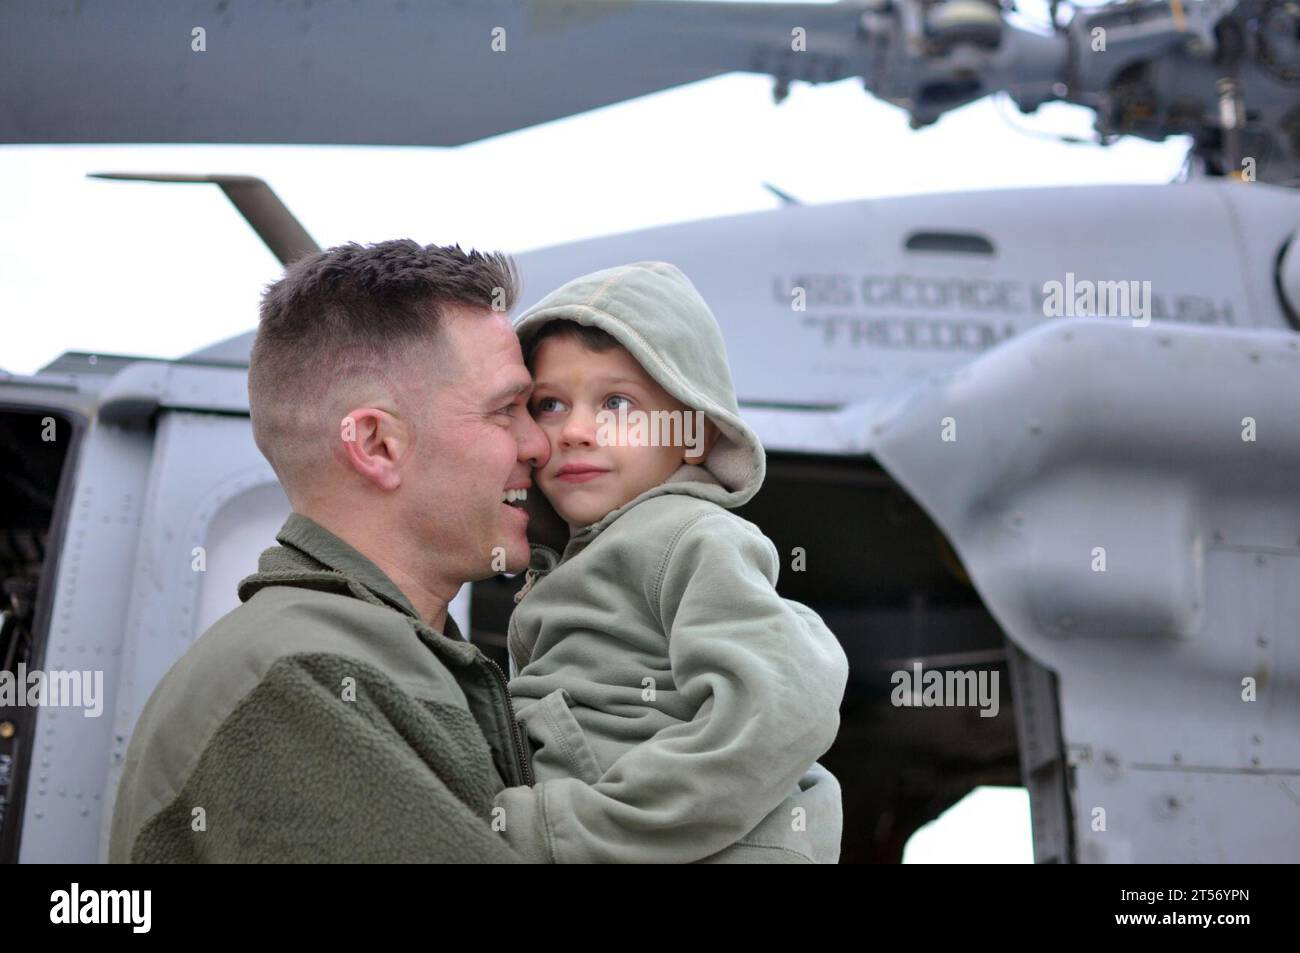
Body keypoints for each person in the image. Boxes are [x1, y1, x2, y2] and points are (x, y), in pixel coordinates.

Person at [109, 240, 550, 862]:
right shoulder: (308, 680)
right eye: (506, 410)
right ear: (375, 444)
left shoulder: (365, 654)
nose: (538, 445)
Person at [493, 261, 849, 863]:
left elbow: (784, 700)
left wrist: (560, 829)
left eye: (616, 402)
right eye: (549, 404)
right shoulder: (556, 566)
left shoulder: (690, 536)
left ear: (693, 432)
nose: (577, 429)